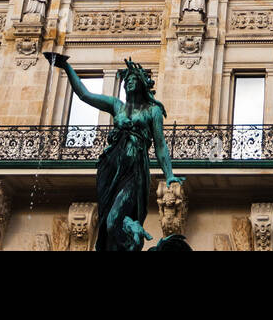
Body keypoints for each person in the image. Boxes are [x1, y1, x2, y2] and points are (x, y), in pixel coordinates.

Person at [44, 52, 184, 251]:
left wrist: (169, 174)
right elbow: (85, 95)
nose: (128, 83)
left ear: (142, 83)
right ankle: (128, 235)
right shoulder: (117, 106)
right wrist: (66, 67)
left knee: (112, 221)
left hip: (134, 169)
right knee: (107, 226)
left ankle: (131, 230)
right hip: (111, 166)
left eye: (133, 79)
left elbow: (160, 144)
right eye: (126, 80)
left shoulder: (153, 111)